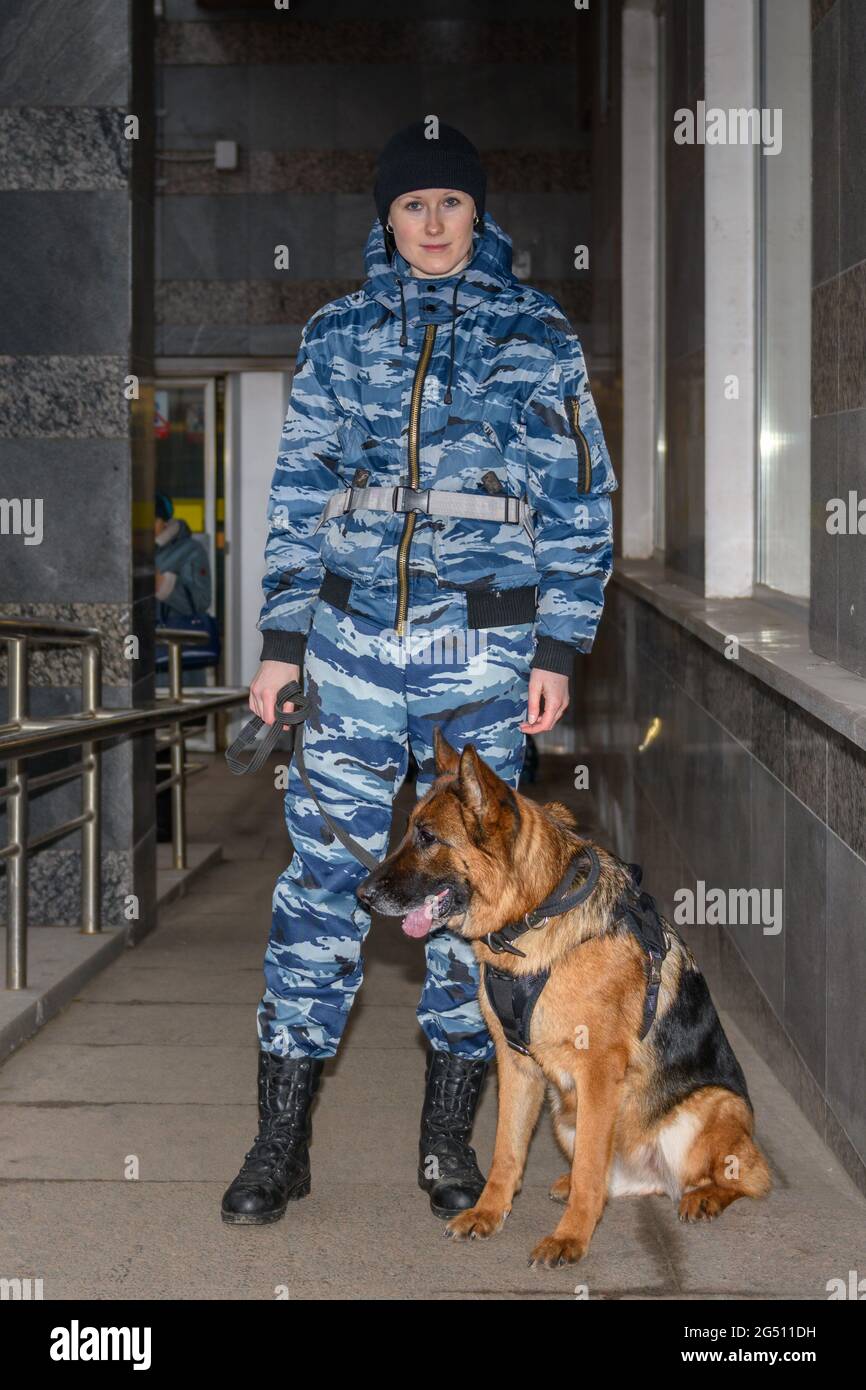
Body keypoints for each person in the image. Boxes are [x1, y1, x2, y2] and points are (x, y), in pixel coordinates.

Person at [221, 121, 617, 1226]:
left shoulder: (534, 330)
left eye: (450, 203)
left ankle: (448, 1142)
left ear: (476, 215)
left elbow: (578, 500)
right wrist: (281, 642)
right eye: (412, 206)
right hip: (347, 652)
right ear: (384, 219)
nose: (432, 224)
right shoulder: (337, 333)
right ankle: (279, 1141)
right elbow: (299, 491)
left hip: (481, 659)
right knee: (320, 889)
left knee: (469, 901)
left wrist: (555, 647)